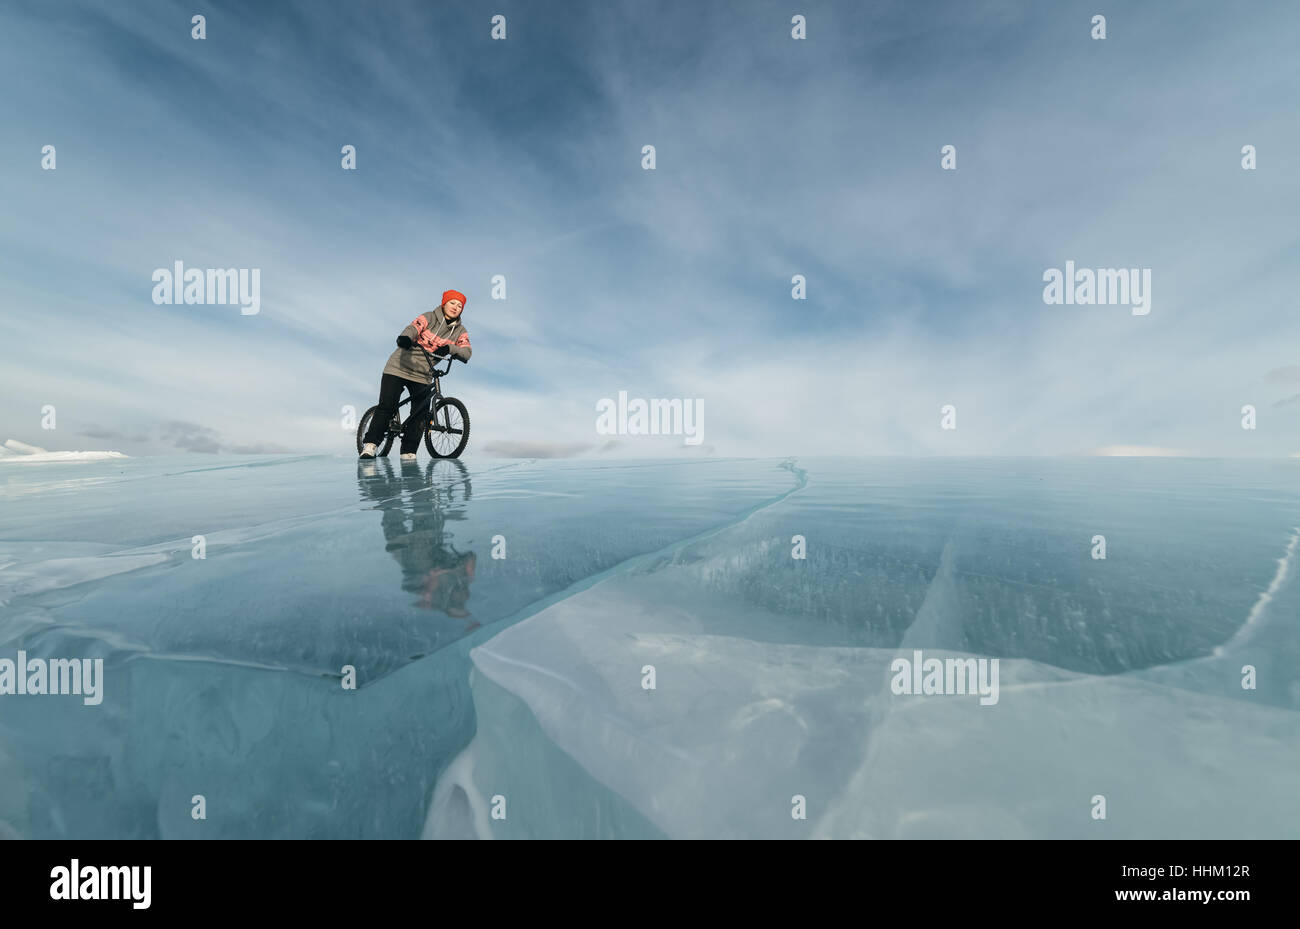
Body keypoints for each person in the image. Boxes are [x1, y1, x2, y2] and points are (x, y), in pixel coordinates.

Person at [360, 290, 472, 460]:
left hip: (424, 373)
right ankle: (370, 445)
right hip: (399, 366)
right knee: (387, 406)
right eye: (452, 303)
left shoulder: (460, 331)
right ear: (444, 303)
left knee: (420, 413)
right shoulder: (429, 317)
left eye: (460, 306)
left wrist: (450, 348)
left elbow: (467, 352)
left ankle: (408, 452)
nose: (456, 308)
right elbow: (413, 328)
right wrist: (405, 338)